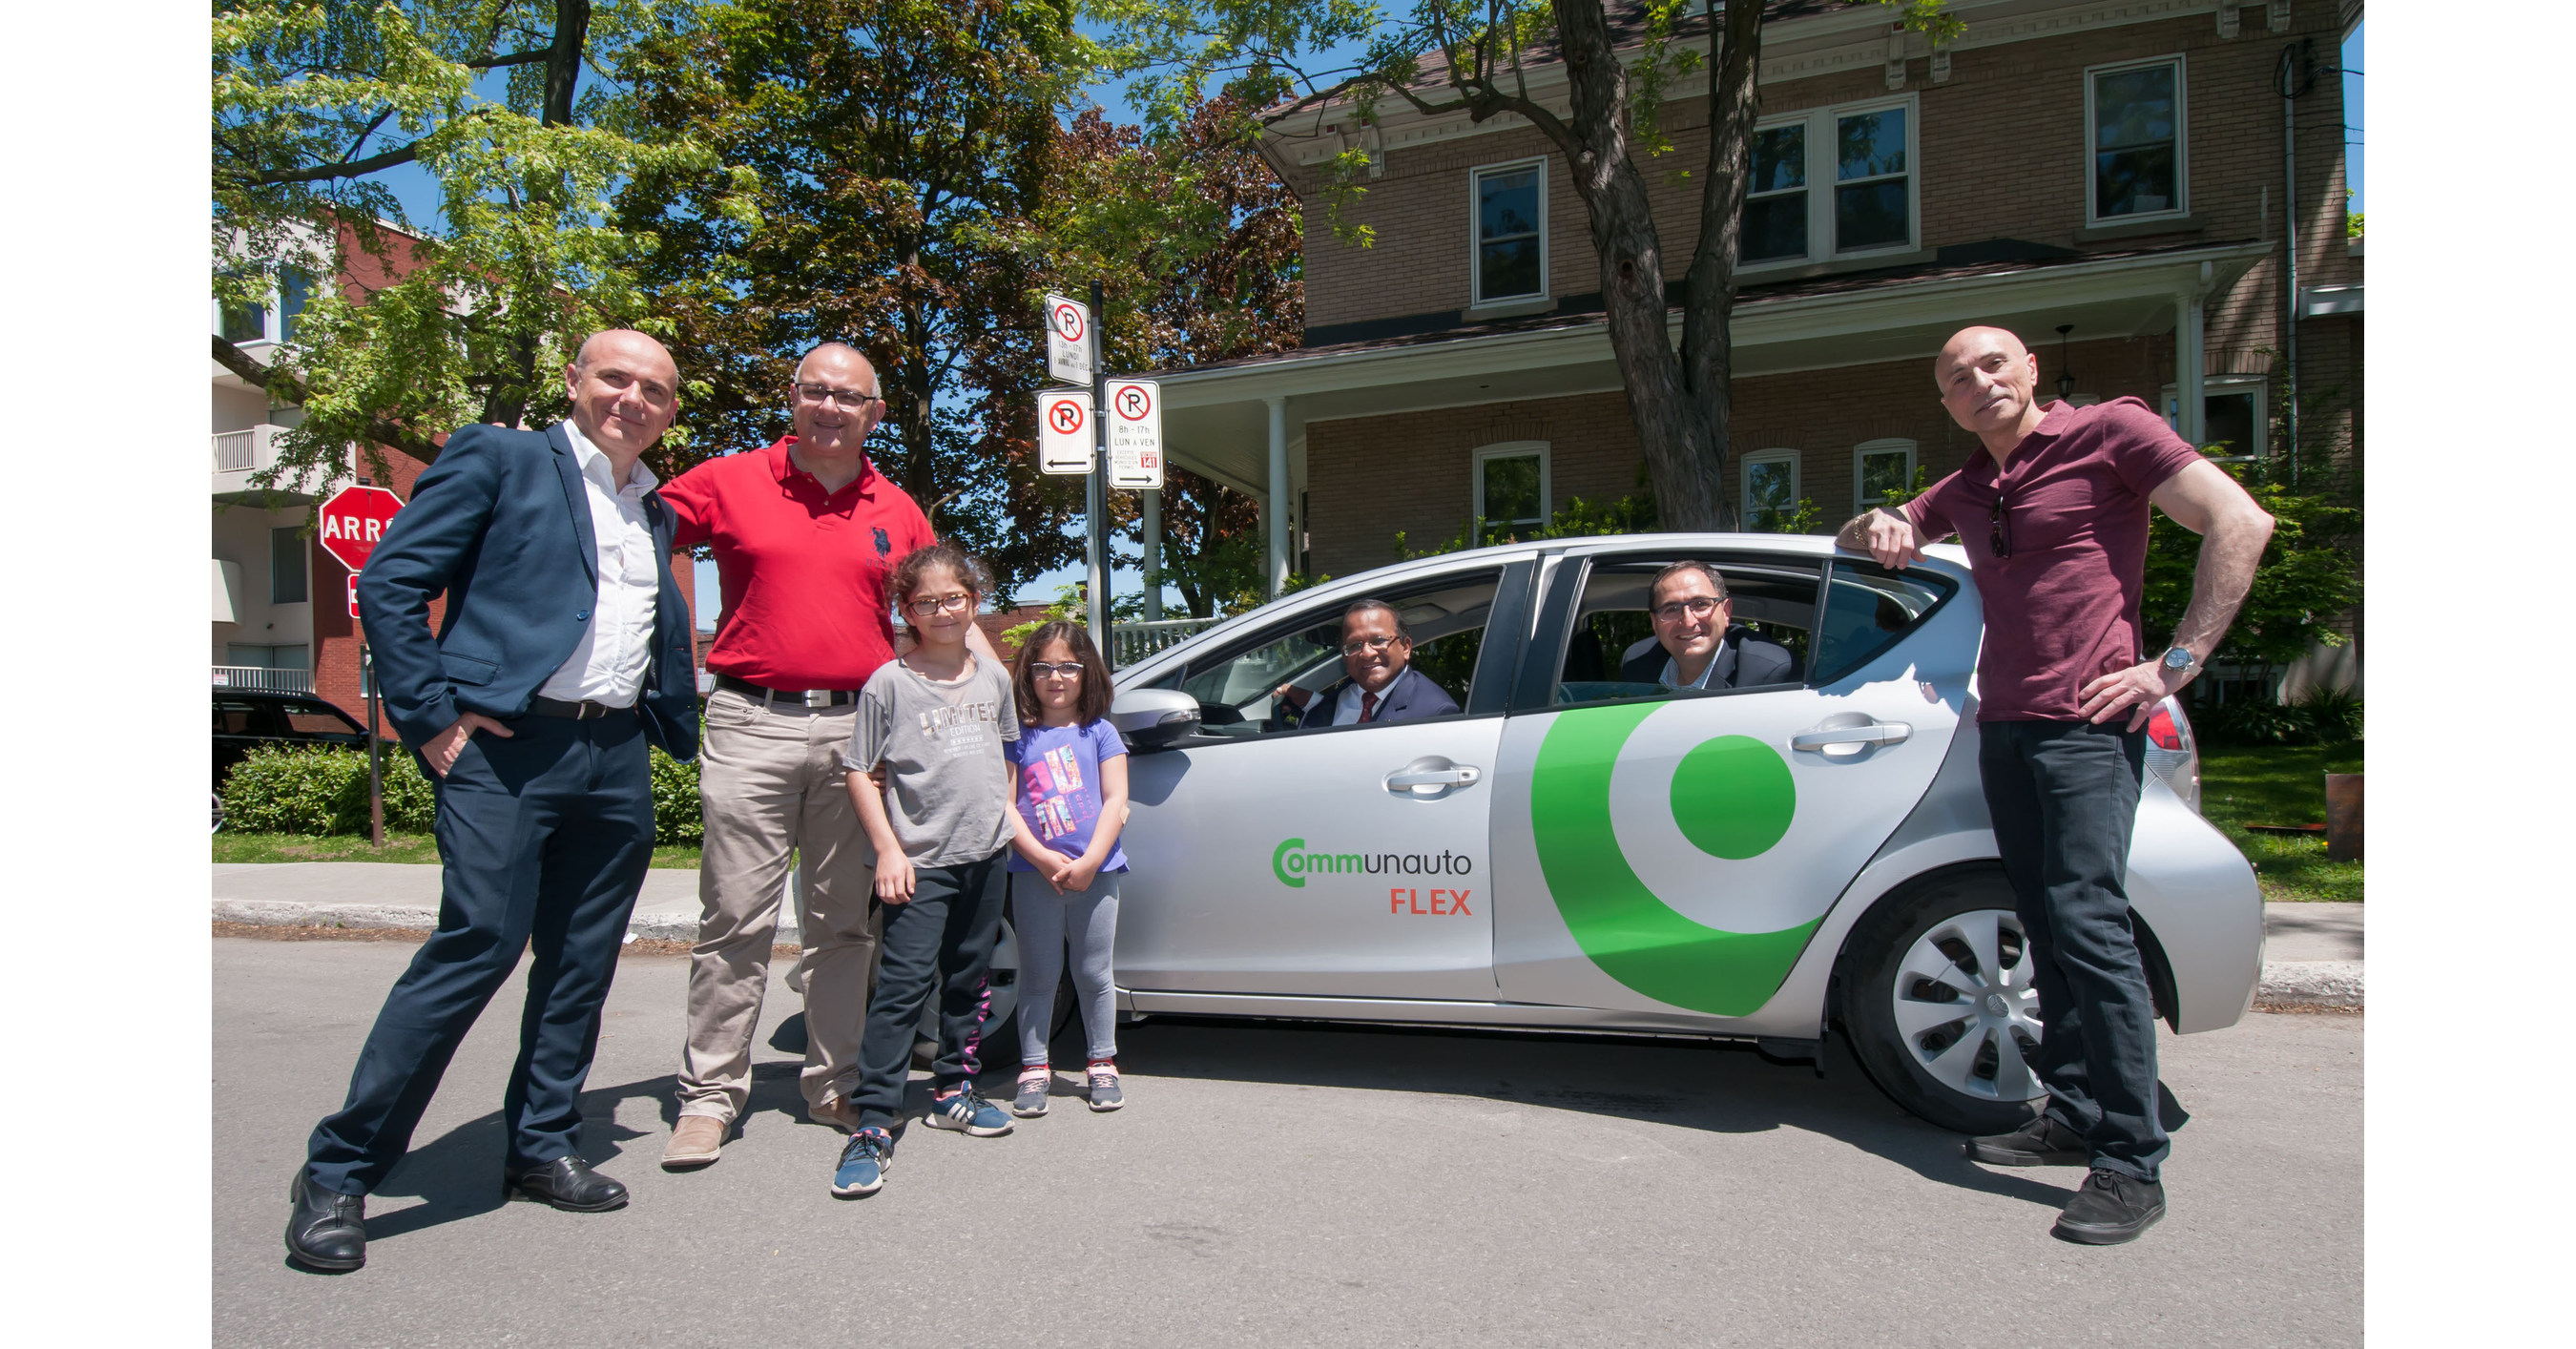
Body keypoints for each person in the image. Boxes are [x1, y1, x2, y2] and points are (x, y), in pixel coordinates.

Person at [1837, 324, 2274, 1246]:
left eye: (1994, 364)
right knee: (2044, 921)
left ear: (2031, 367)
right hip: (2009, 727)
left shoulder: (2112, 432)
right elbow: (1871, 538)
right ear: (1946, 402)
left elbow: (2241, 521)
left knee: (2089, 926)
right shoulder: (1968, 484)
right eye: (1958, 378)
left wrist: (2175, 663)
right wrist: (1879, 522)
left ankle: (2129, 1160)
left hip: (2089, 725)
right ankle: (2072, 1111)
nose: (1979, 382)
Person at [285, 330, 701, 1273]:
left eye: (654, 388)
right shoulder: (505, 456)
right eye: (615, 378)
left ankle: (542, 1142)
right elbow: (393, 580)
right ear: (575, 381)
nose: (632, 397)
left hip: (614, 751)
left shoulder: (653, 508)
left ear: (671, 409)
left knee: (582, 962)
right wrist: (429, 715)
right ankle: (338, 1169)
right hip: (508, 748)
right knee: (477, 944)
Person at [654, 342, 988, 1171]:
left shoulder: (898, 508)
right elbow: (630, 527)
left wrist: (1010, 695)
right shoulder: (728, 481)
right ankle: (709, 1098)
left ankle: (833, 1084)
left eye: (848, 397)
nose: (830, 407)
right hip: (750, 722)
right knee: (734, 919)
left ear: (874, 412)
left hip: (860, 734)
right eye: (815, 392)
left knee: (843, 928)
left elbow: (942, 610)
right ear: (793, 399)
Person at [829, 544, 1022, 1196]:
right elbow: (858, 770)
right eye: (927, 602)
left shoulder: (993, 678)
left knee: (969, 980)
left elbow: (1007, 754)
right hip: (917, 862)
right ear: (905, 610)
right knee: (904, 988)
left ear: (975, 601)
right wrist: (887, 848)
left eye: (955, 598)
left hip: (984, 854)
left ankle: (952, 1091)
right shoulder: (890, 682)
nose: (943, 611)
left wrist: (1004, 817)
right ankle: (875, 1121)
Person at [1000, 622, 1132, 1117]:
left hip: (1097, 875)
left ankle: (1102, 1062)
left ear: (1087, 672)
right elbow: (1006, 805)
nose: (1056, 677)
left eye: (1068, 666)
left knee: (1094, 972)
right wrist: (1039, 856)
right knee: (1038, 973)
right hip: (1034, 874)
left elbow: (1117, 798)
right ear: (1029, 674)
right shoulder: (1017, 735)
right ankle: (1035, 1067)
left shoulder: (1100, 732)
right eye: (1044, 667)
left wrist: (1092, 860)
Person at [1272, 599, 1460, 729]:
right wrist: (1310, 702)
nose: (1367, 653)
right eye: (1355, 645)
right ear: (1344, 656)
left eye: (1378, 640)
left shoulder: (1434, 713)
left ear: (1405, 647)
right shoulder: (1350, 690)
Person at [1622, 561, 1797, 690]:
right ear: (1655, 622)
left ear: (1726, 611)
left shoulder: (1769, 673)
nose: (1688, 621)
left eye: (1700, 604)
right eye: (1672, 609)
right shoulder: (1637, 664)